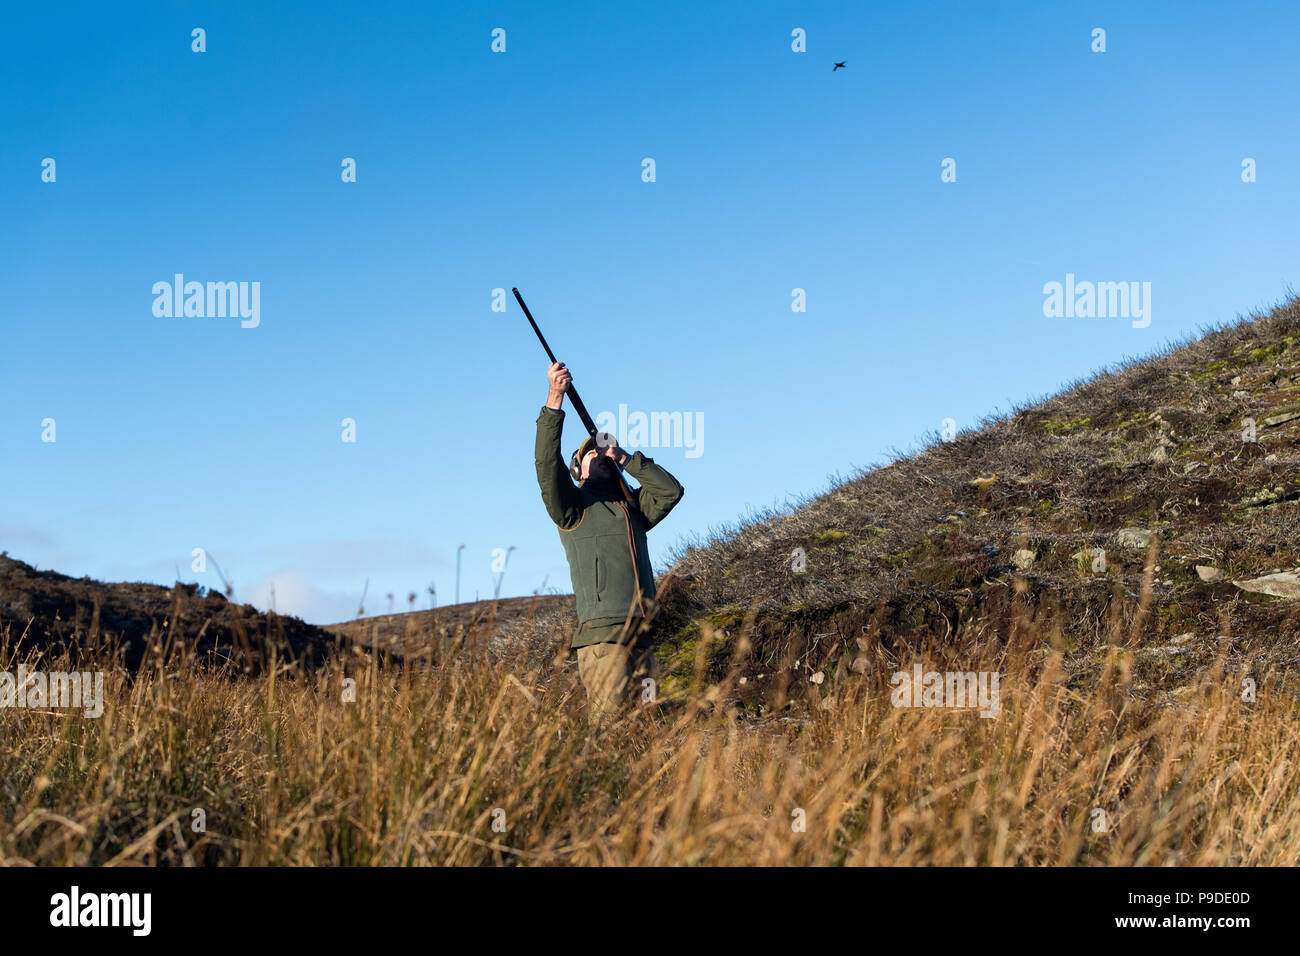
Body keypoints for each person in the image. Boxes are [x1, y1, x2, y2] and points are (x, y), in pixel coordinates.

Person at [534, 360, 685, 717]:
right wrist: (555, 399)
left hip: (643, 640)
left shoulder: (633, 509)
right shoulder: (573, 508)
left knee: (648, 733)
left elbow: (670, 491)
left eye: (604, 450)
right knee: (611, 735)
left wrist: (625, 457)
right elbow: (545, 465)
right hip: (604, 643)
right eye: (590, 452)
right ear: (578, 469)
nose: (599, 453)